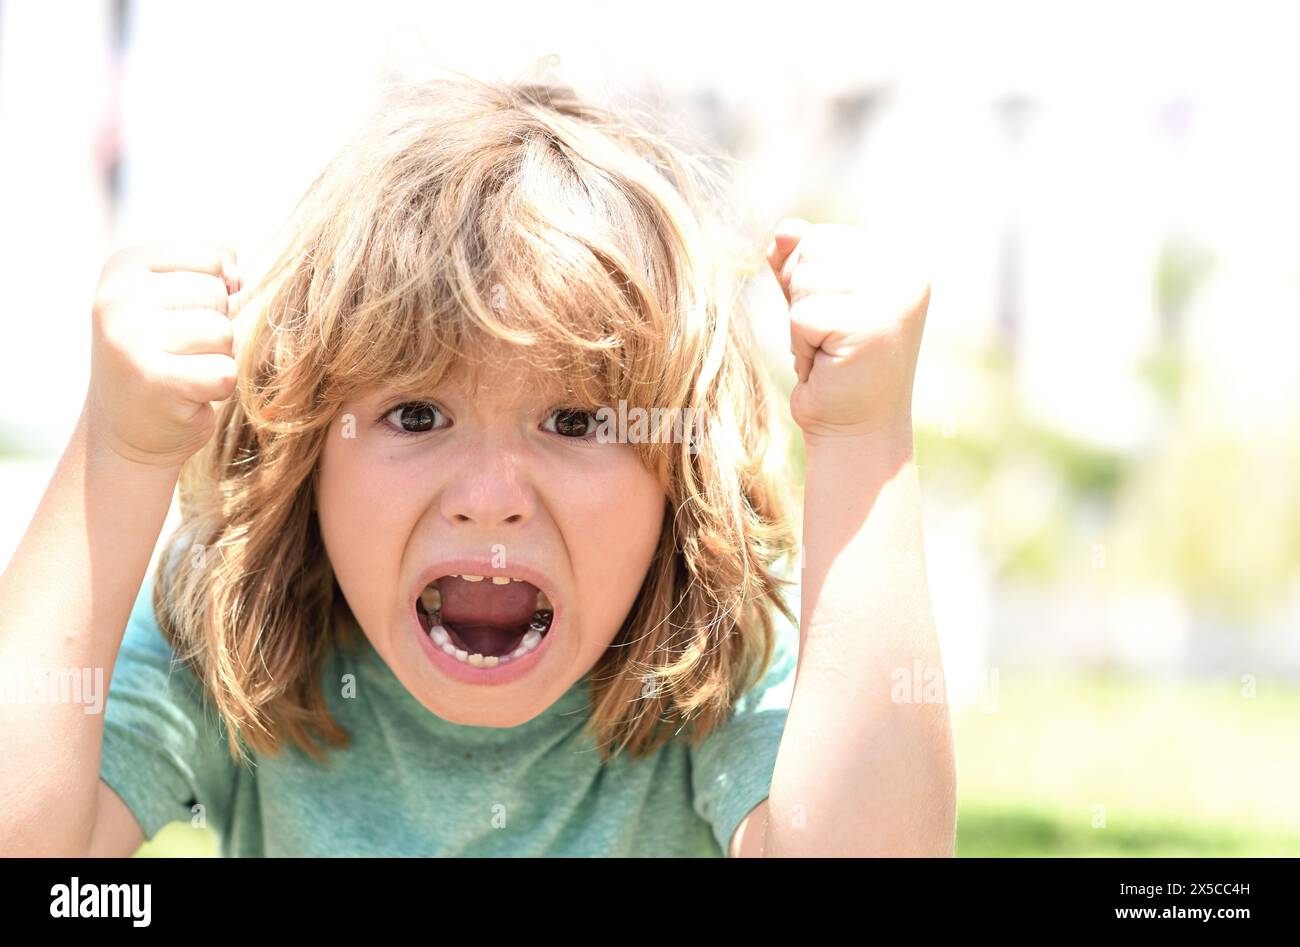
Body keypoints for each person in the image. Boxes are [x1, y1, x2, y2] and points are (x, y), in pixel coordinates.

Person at [0, 69, 953, 857]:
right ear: (303, 456)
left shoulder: (715, 658)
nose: (490, 502)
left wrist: (865, 444)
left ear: (681, 479)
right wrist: (119, 453)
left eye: (578, 422)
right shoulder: (237, 631)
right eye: (416, 413)